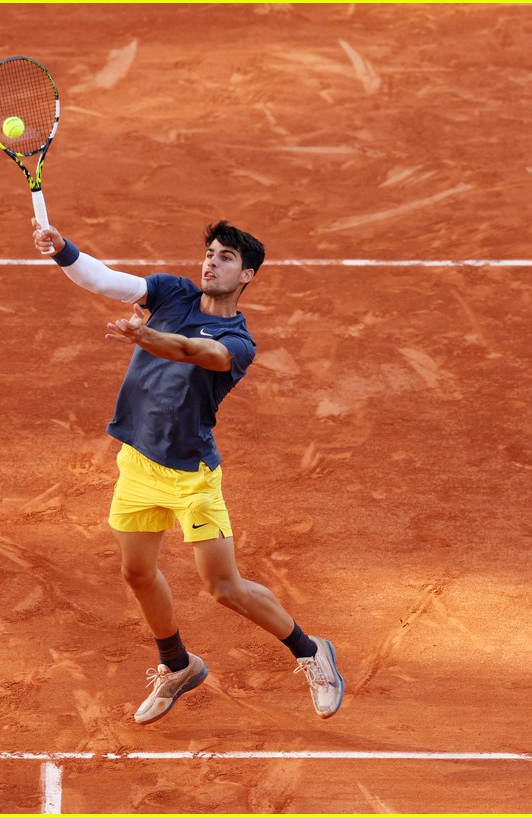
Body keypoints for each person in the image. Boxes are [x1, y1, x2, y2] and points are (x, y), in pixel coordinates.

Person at [32, 217, 344, 724]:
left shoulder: (238, 342)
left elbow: (192, 351)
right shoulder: (172, 293)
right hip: (137, 464)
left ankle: (312, 652)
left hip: (191, 478)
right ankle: (177, 665)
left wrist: (144, 336)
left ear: (246, 276)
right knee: (136, 572)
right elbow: (106, 280)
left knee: (224, 588)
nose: (211, 261)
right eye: (210, 252)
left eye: (226, 258)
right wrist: (63, 249)